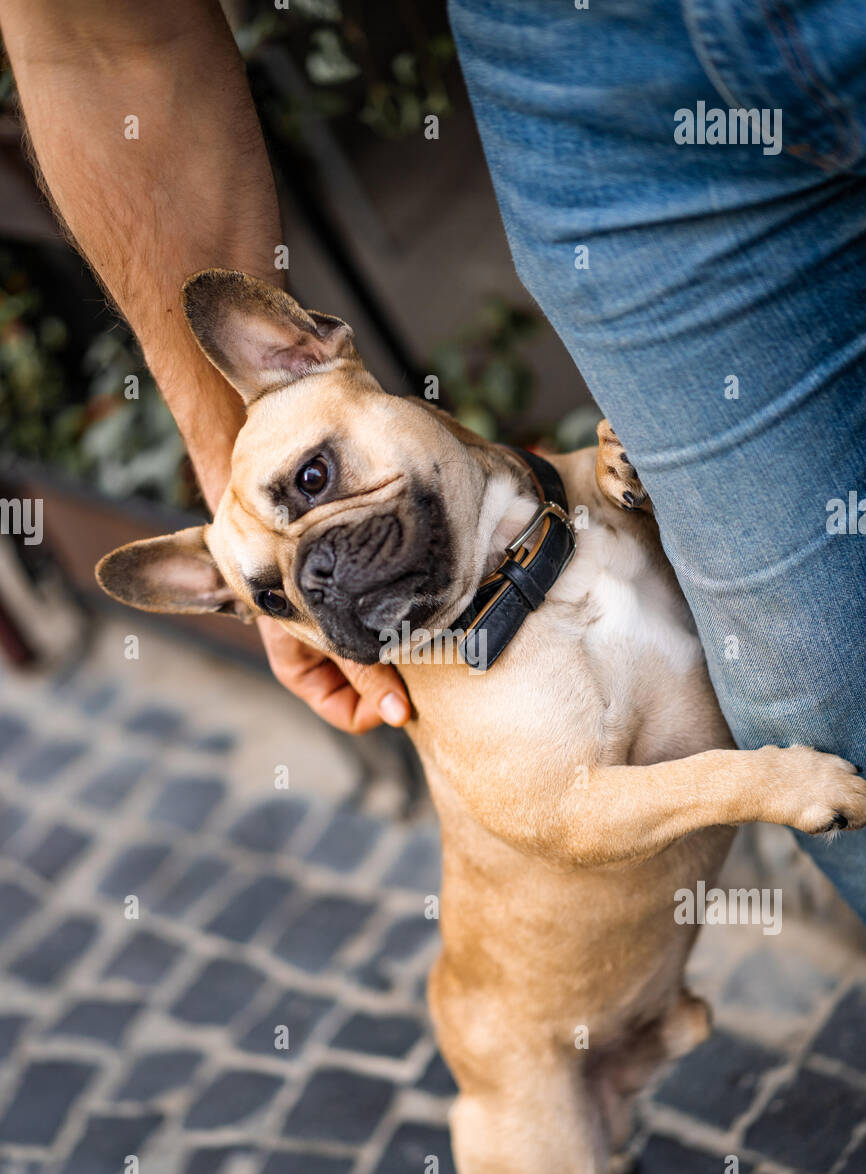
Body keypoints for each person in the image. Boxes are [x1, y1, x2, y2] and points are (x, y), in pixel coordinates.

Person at [2, 0, 864, 916]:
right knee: (826, 688)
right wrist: (227, 470)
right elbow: (101, 38)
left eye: (313, 480)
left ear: (305, 349)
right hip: (582, 72)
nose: (323, 566)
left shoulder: (534, 496)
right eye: (281, 588)